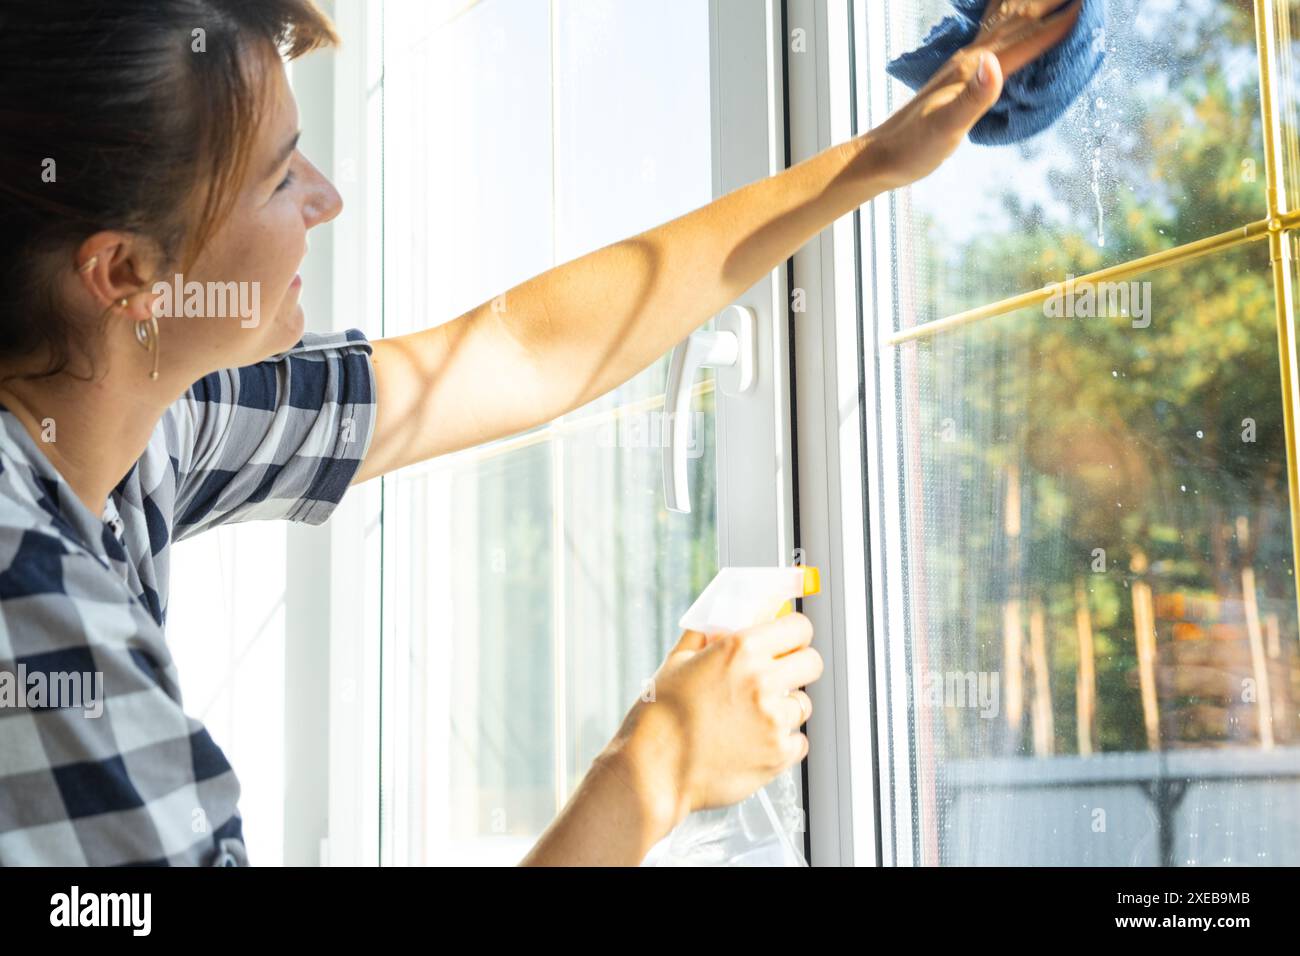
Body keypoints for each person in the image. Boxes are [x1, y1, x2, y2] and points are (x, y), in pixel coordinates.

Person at [0, 0, 1075, 866]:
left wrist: (877, 160)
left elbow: (517, 353)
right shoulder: (36, 611)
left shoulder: (142, 422)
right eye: (282, 176)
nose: (326, 197)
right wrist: (652, 769)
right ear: (128, 275)